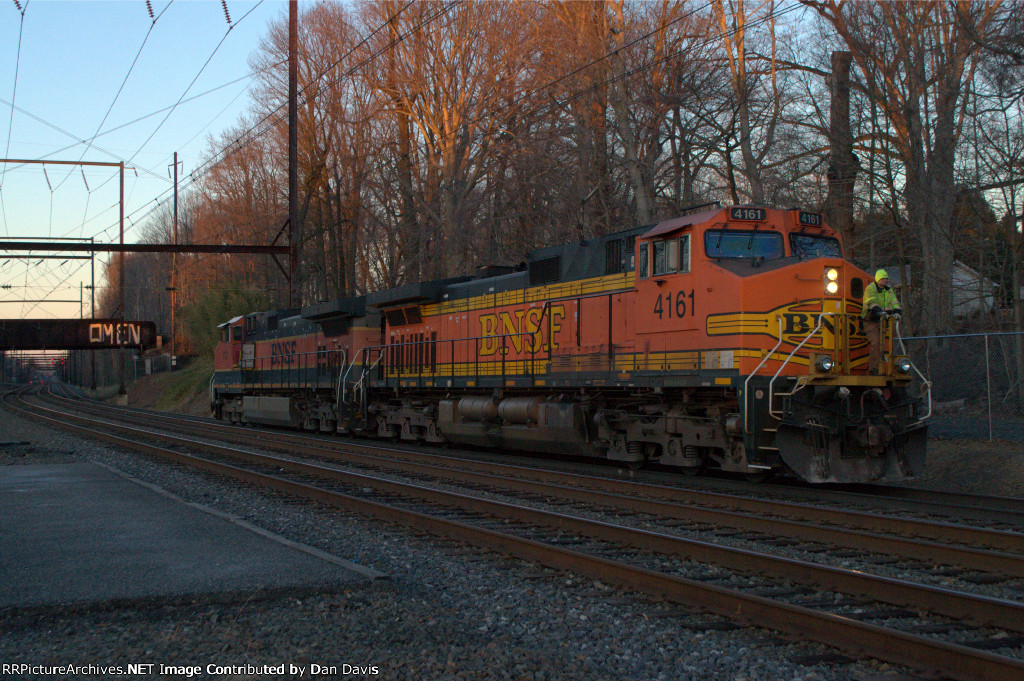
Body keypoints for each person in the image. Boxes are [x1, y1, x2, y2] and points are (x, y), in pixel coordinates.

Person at [861, 269, 902, 374]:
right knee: (876, 343)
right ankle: (874, 369)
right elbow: (871, 302)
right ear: (878, 279)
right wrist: (879, 311)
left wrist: (898, 312)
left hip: (883, 321)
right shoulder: (870, 289)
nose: (885, 280)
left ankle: (886, 369)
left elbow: (894, 302)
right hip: (870, 320)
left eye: (886, 278)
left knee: (887, 344)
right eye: (883, 278)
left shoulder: (889, 290)